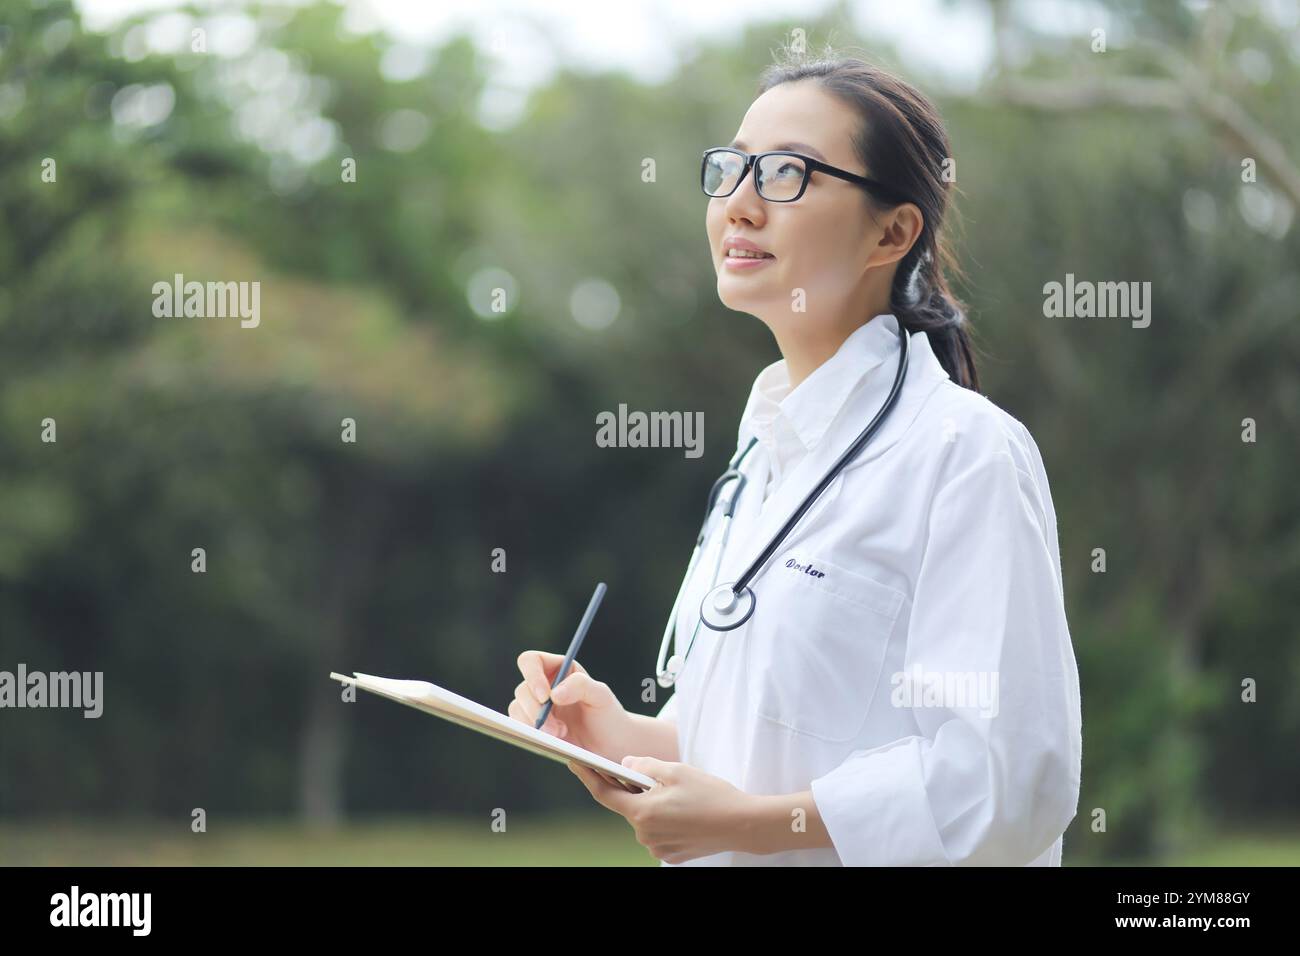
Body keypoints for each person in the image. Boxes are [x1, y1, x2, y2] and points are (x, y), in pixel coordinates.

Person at [509, 52, 1082, 866]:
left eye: (786, 174)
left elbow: (1010, 779)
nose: (739, 204)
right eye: (731, 168)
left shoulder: (963, 454)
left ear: (894, 231)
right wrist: (623, 736)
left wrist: (747, 828)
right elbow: (776, 740)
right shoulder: (760, 458)